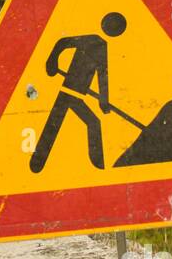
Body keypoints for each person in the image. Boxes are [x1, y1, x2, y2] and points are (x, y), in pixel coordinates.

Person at [28, 12, 127, 174]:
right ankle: (36, 164)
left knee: (74, 123)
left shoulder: (102, 46)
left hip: (76, 95)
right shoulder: (91, 40)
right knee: (59, 124)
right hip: (67, 92)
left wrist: (103, 101)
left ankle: (98, 167)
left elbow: (103, 75)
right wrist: (51, 61)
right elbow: (62, 42)